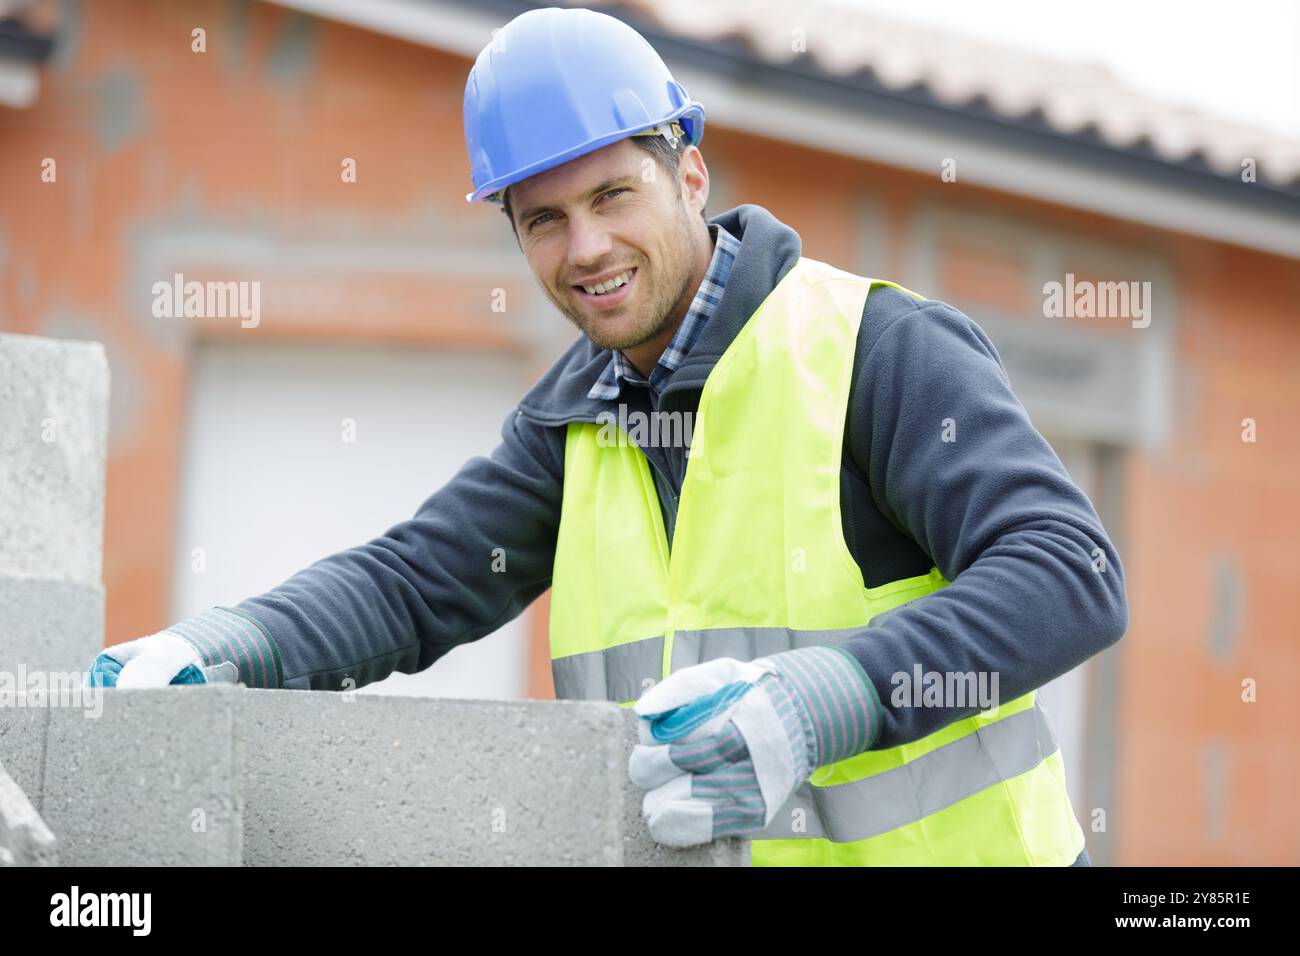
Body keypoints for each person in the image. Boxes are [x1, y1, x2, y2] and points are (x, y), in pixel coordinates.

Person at [88, 6, 1125, 866]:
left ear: (689, 178)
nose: (586, 248)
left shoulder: (872, 349)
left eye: (611, 194)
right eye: (543, 219)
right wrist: (224, 644)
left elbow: (1068, 570)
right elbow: (412, 582)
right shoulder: (574, 415)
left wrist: (834, 696)